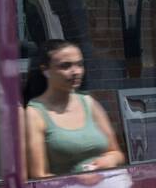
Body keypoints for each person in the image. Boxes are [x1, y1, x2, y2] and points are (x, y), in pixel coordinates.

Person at [24, 39, 126, 178]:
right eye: (66, 66)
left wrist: (110, 160)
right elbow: (39, 175)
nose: (76, 71)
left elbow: (116, 152)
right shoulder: (35, 113)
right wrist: (75, 180)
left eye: (79, 64)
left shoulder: (89, 103)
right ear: (45, 70)